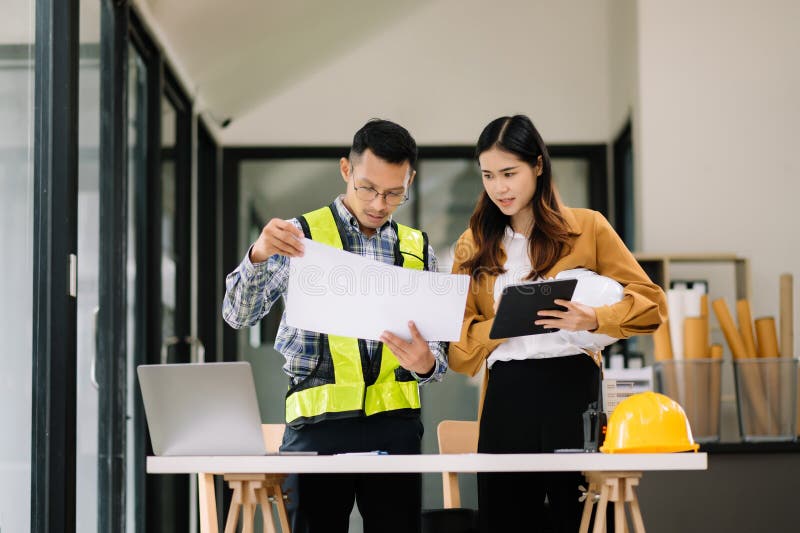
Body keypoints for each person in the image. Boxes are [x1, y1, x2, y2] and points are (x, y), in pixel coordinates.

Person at [222, 119, 447, 533]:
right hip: (315, 432)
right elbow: (237, 314)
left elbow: (439, 357)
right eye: (368, 188)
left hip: (395, 429)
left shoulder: (418, 249)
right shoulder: (299, 236)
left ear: (410, 180)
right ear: (346, 170)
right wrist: (257, 253)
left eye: (395, 192)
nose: (380, 203)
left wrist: (426, 364)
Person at [448, 115, 666, 532]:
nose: (500, 188)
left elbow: (652, 305)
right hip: (506, 396)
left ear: (538, 166)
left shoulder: (589, 227)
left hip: (573, 390)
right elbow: (457, 351)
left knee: (577, 517)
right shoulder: (472, 243)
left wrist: (595, 317)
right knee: (506, 519)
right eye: (489, 176)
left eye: (509, 173)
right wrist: (503, 325)